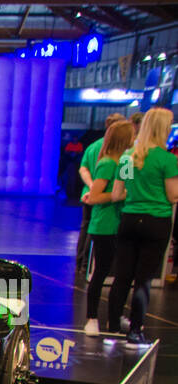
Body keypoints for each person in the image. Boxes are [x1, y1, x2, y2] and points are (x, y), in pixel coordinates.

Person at [106, 107, 178, 347]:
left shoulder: (128, 157)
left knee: (122, 276)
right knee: (143, 279)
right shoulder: (167, 160)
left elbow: (117, 192)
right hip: (156, 221)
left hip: (128, 219)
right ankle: (135, 331)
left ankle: (113, 326)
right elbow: (173, 195)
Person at [81, 119, 134, 335]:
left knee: (123, 275)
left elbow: (129, 188)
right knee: (101, 273)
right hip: (104, 226)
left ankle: (116, 317)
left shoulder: (126, 162)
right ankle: (92, 318)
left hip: (123, 224)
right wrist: (116, 196)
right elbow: (94, 197)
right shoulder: (107, 163)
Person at [76, 112, 127, 275]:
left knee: (87, 229)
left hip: (107, 211)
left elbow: (83, 168)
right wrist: (95, 190)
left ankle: (82, 263)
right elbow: (118, 192)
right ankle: (85, 264)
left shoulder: (126, 160)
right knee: (101, 269)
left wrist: (91, 187)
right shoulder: (112, 161)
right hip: (107, 214)